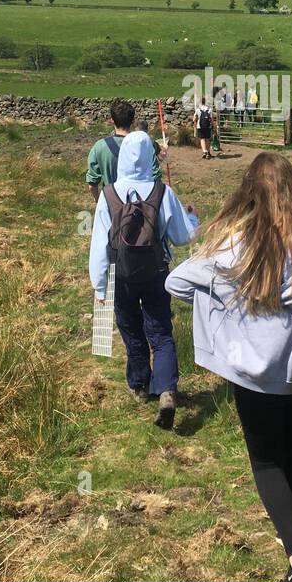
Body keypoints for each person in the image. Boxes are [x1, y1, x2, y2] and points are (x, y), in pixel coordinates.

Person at [166, 152, 292, 582]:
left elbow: (174, 282)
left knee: (267, 461)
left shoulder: (235, 246)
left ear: (248, 195)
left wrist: (222, 301)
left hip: (256, 377)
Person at [90, 131, 198, 429]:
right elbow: (180, 237)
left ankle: (139, 384)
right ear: (150, 157)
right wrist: (192, 219)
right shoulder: (163, 192)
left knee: (131, 329)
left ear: (123, 155)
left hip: (121, 274)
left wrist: (99, 286)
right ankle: (165, 390)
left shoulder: (109, 194)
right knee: (161, 332)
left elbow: (99, 244)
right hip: (156, 272)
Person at [87, 98, 162, 198]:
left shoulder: (99, 147)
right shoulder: (144, 144)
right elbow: (156, 177)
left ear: (112, 120)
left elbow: (92, 185)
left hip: (112, 204)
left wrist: (98, 201)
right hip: (141, 204)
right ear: (133, 121)